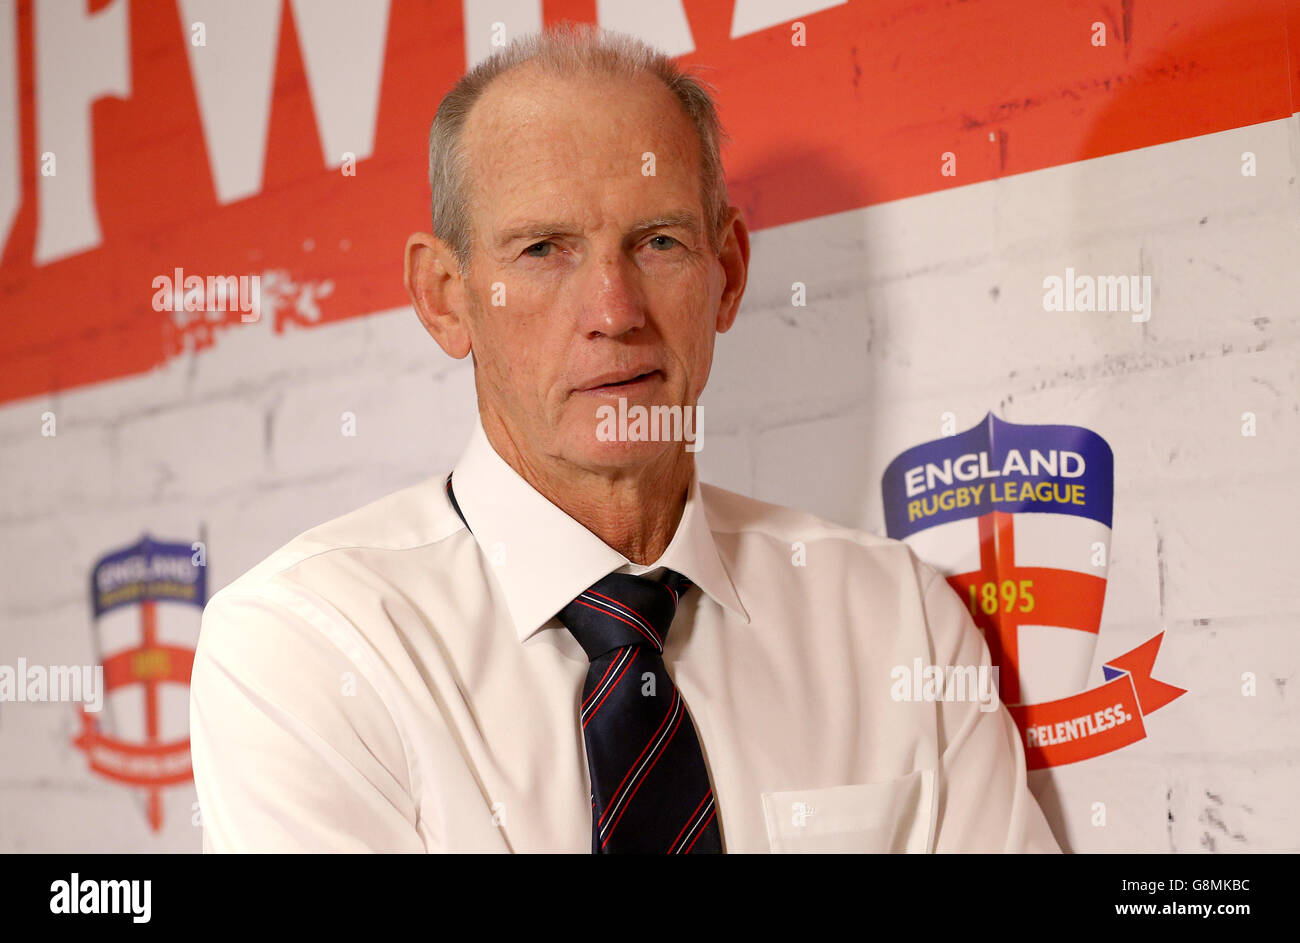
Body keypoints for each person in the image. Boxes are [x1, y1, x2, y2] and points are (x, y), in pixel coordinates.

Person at [189, 22, 1059, 853]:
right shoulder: (307, 645)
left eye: (659, 241)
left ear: (728, 275)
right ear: (444, 296)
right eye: (543, 250)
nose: (613, 311)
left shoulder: (893, 618)